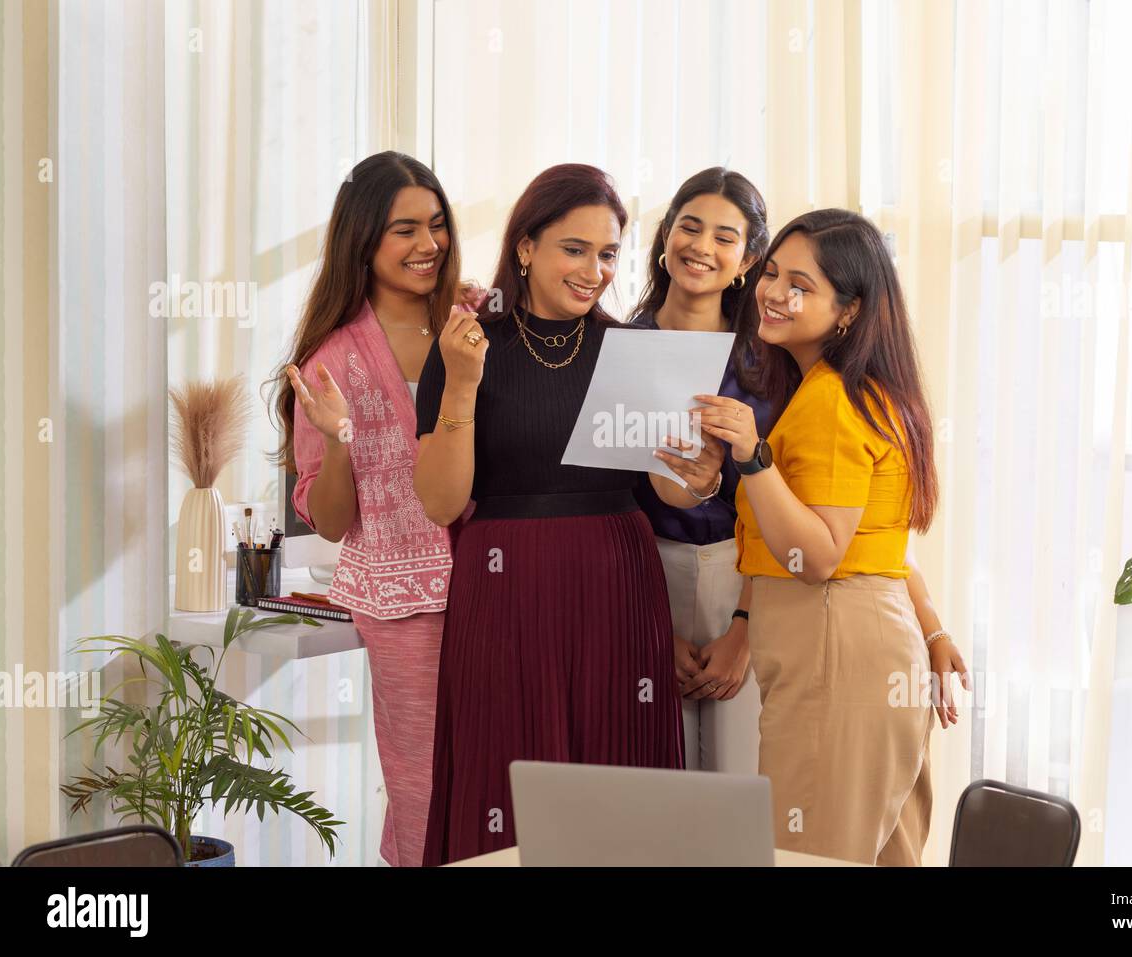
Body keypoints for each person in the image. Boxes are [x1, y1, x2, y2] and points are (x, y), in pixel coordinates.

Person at [413, 163, 723, 865]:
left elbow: (666, 485)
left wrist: (699, 481)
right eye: (574, 249)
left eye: (608, 253)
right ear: (526, 246)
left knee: (615, 778)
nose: (595, 270)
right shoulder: (465, 347)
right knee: (508, 771)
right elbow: (440, 500)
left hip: (617, 580)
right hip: (503, 586)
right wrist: (462, 387)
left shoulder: (630, 351)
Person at [693, 209, 969, 865]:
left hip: (835, 646)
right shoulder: (861, 390)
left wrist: (752, 455)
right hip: (873, 645)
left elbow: (816, 554)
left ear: (848, 311)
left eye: (801, 284)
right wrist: (930, 629)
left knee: (806, 852)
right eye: (772, 273)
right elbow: (877, 539)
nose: (773, 291)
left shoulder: (832, 401)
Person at [268, 151, 481, 866]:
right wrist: (335, 439)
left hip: (498, 582)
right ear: (364, 240)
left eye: (438, 224)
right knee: (424, 787)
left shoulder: (473, 324)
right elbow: (329, 521)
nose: (430, 245)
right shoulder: (332, 361)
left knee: (502, 776)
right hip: (403, 603)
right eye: (405, 230)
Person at [626, 167, 770, 773]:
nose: (701, 247)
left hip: (743, 577)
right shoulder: (619, 348)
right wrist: (649, 624)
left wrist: (746, 627)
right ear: (665, 237)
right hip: (641, 579)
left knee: (741, 783)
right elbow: (604, 496)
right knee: (658, 784)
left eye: (724, 237)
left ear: (747, 260)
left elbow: (780, 505)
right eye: (689, 227)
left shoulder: (766, 360)